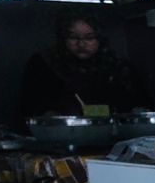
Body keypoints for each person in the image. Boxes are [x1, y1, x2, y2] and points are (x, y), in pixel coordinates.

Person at [20, 11, 148, 119]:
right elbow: (32, 107)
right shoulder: (46, 65)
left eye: (89, 38)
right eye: (73, 38)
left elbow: (134, 106)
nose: (81, 44)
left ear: (99, 39)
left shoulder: (117, 67)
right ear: (63, 39)